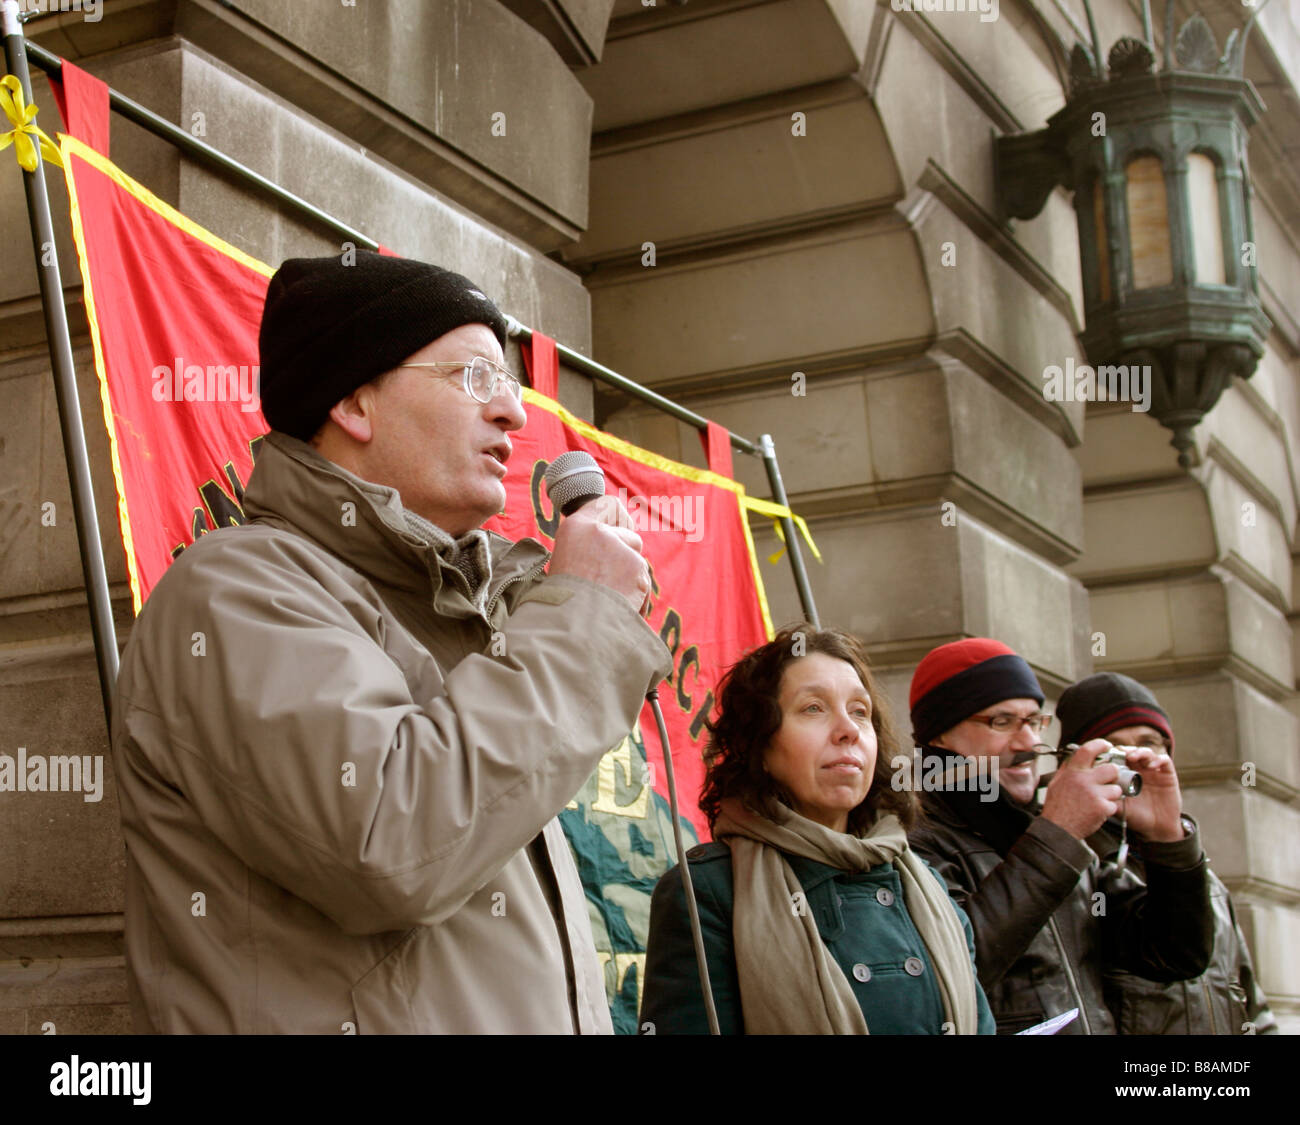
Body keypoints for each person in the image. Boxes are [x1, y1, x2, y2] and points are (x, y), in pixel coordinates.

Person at [109, 251, 672, 1033]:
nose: (512, 412)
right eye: (475, 377)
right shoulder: (233, 591)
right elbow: (392, 842)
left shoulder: (462, 619)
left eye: (511, 384)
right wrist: (582, 618)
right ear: (353, 402)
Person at [639, 626, 994, 1034]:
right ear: (760, 748)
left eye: (860, 711)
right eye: (813, 708)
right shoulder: (710, 891)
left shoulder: (926, 885)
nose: (848, 730)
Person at [905, 638, 1214, 1034]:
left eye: (1035, 721)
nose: (1029, 743)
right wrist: (1059, 832)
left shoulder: (1050, 836)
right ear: (939, 737)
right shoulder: (912, 838)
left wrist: (1168, 840)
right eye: (1002, 721)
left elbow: (1174, 956)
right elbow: (952, 975)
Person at [1056, 672, 1277, 1035]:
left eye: (1149, 743)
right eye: (1112, 747)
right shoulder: (1069, 864)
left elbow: (1251, 1000)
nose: (1134, 759)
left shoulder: (1198, 871)